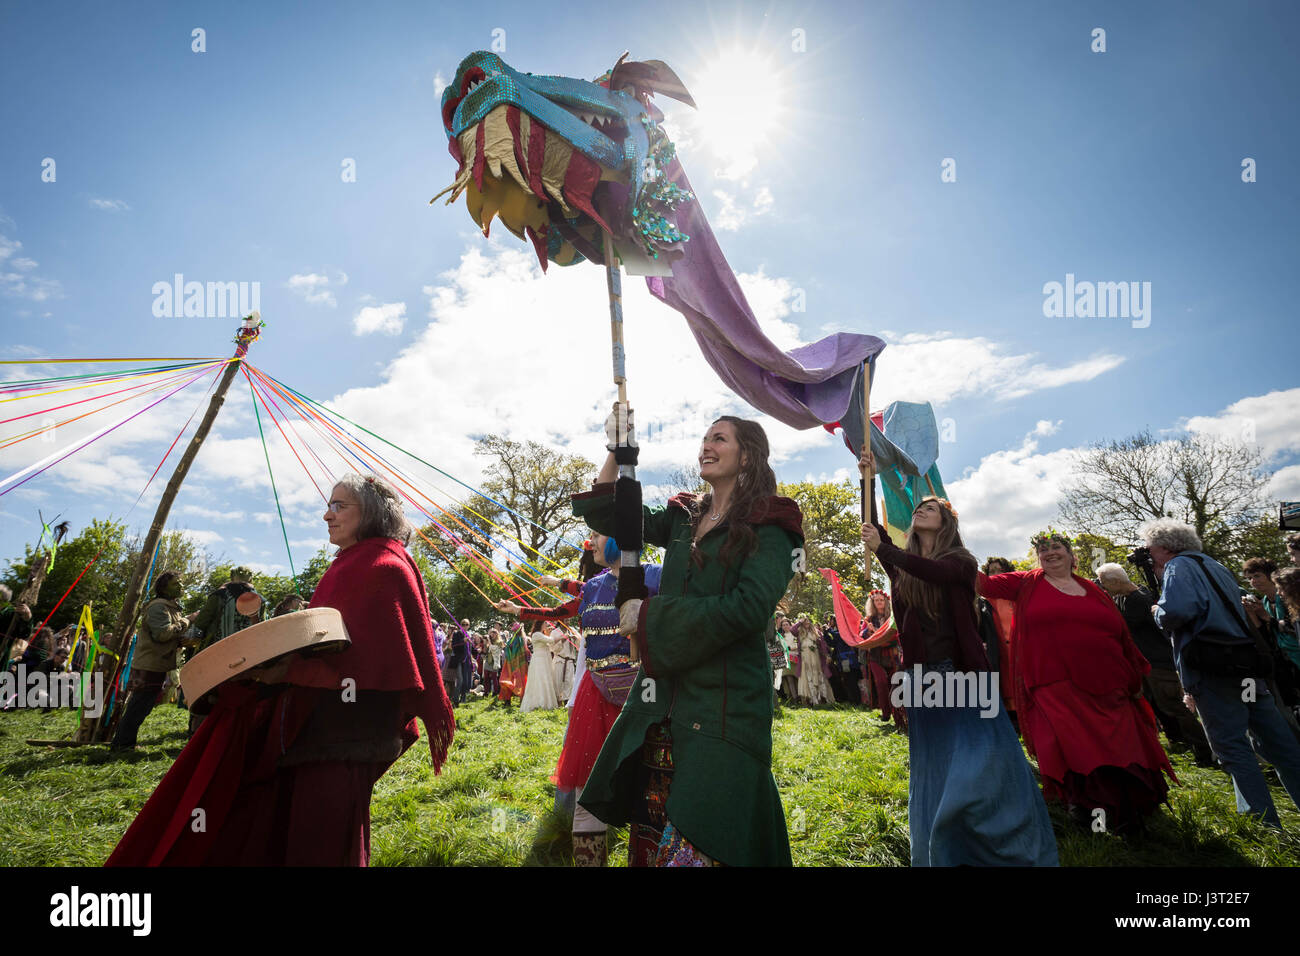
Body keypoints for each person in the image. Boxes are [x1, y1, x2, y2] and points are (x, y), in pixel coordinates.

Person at [107, 473, 454, 866]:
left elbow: (366, 664)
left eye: (339, 506)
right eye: (329, 504)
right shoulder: (355, 561)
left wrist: (283, 671)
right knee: (293, 830)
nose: (327, 515)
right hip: (319, 727)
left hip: (342, 733)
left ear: (371, 512)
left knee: (323, 840)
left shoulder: (379, 566)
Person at [578, 409, 803, 867]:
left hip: (724, 706)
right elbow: (611, 517)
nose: (706, 445)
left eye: (719, 439)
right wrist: (616, 449)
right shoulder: (683, 518)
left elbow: (748, 609)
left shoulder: (772, 524)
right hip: (660, 702)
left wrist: (649, 616)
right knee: (652, 835)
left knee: (709, 838)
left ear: (747, 457)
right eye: (703, 438)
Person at [859, 451, 1057, 866]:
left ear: (946, 522)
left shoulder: (961, 562)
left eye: (930, 506)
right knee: (935, 764)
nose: (921, 509)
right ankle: (945, 846)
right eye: (918, 507)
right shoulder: (907, 570)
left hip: (962, 674)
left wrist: (888, 552)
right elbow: (879, 538)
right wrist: (870, 478)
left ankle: (996, 842)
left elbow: (936, 572)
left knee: (978, 765)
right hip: (920, 678)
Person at [978, 534, 1176, 834]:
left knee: (1121, 749)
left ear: (1073, 557)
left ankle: (1129, 811)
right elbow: (981, 583)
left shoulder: (1093, 590)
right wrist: (946, 535)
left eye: (1057, 547)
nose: (1050, 552)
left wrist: (1134, 676)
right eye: (1043, 550)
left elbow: (1121, 636)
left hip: (1111, 685)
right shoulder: (1026, 582)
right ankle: (1090, 811)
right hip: (1054, 686)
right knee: (1077, 749)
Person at [496, 532, 662, 864]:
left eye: (596, 535)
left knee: (651, 785)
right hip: (595, 691)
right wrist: (519, 610)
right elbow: (559, 611)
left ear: (618, 535)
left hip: (645, 693)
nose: (590, 543)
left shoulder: (657, 577)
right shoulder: (593, 586)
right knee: (589, 784)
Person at [1145, 519, 1300, 829]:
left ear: (1164, 547)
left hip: (1212, 668)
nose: (1149, 555)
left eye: (1151, 549)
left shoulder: (1177, 568)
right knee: (1276, 740)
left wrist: (1157, 611)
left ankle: (1262, 824)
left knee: (1232, 746)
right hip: (1245, 664)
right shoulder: (1215, 565)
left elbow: (1177, 611)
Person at [1097, 562, 1212, 766]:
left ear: (1116, 581)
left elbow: (1120, 625)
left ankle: (1205, 751)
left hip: (1158, 663)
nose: (1103, 587)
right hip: (1147, 663)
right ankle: (1180, 742)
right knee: (1160, 706)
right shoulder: (1130, 596)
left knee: (1174, 706)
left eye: (1105, 582)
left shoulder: (1138, 601)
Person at [109, 572, 198, 752]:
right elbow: (162, 634)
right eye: (175, 583)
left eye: (180, 583)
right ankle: (122, 745)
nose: (180, 586)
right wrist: (188, 620)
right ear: (164, 587)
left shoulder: (170, 607)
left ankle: (125, 742)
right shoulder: (158, 607)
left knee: (143, 706)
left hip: (157, 664)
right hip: (149, 664)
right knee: (139, 706)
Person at [859, 589, 905, 729]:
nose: (879, 602)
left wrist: (880, 634)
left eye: (881, 600)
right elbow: (862, 635)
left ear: (886, 602)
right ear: (872, 603)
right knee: (881, 682)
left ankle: (898, 716)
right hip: (875, 655)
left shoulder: (892, 617)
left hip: (892, 654)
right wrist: (869, 632)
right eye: (876, 600)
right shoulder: (868, 620)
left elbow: (896, 634)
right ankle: (885, 713)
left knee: (895, 684)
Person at [520, 622, 563, 712]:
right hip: (539, 661)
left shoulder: (541, 634)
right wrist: (563, 636)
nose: (546, 626)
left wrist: (548, 634)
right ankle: (539, 703)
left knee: (545, 679)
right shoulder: (537, 634)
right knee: (540, 679)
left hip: (544, 659)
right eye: (545, 624)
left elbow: (550, 645)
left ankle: (547, 702)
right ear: (540, 624)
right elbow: (551, 640)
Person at [796, 617, 835, 707]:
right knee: (808, 677)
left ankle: (822, 698)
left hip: (816, 657)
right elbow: (792, 629)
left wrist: (826, 656)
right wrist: (799, 622)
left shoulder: (816, 632)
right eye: (804, 622)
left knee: (818, 676)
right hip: (805, 658)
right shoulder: (799, 632)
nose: (807, 623)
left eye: (808, 621)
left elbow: (823, 645)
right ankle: (812, 700)